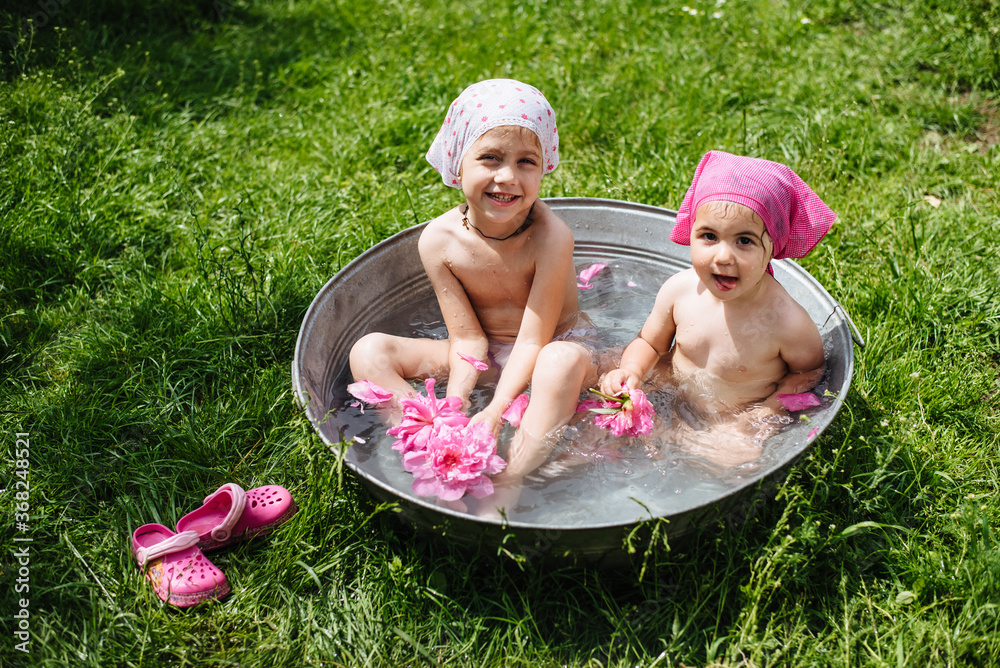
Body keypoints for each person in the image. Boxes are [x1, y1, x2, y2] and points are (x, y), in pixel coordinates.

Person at [349, 79, 601, 513]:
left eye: (527, 162)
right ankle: (430, 442)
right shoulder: (439, 242)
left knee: (559, 363)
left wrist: (497, 411)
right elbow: (467, 340)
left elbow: (532, 341)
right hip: (490, 355)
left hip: (554, 352)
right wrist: (457, 402)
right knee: (369, 351)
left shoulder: (550, 237)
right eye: (490, 158)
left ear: (545, 169)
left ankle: (510, 477)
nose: (508, 177)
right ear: (457, 164)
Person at [600, 150, 836, 466]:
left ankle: (673, 440)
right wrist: (631, 371)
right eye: (709, 236)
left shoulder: (786, 322)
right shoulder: (680, 290)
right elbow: (649, 343)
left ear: (773, 247)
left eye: (744, 241)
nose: (723, 257)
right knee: (600, 377)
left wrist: (761, 417)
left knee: (736, 459)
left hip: (727, 419)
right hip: (669, 386)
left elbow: (808, 374)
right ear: (692, 232)